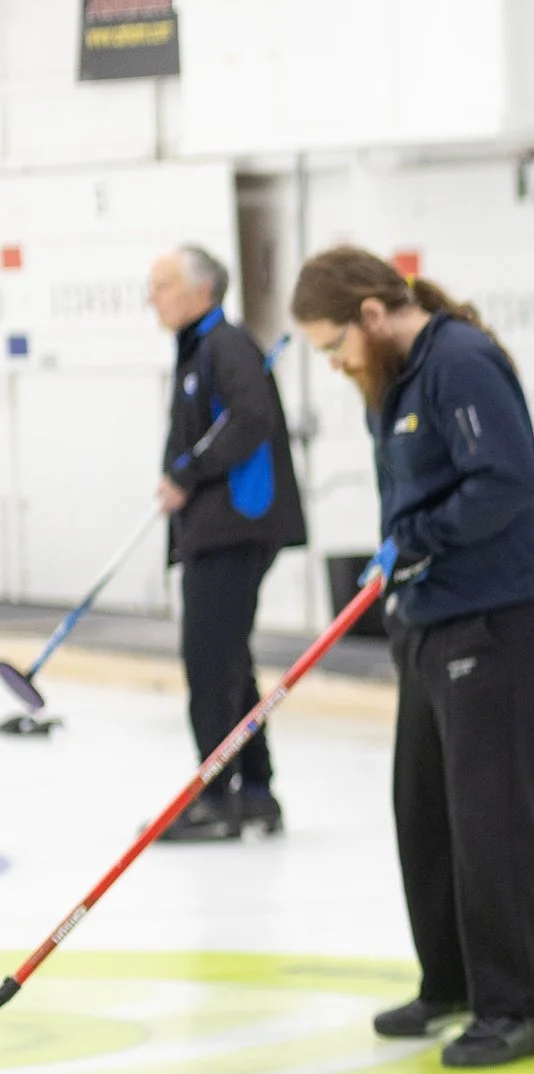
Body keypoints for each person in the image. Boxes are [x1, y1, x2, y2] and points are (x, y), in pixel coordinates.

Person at [289, 247, 534, 1069]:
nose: (335, 364)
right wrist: (394, 556)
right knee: (425, 812)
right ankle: (449, 981)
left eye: (335, 344)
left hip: (494, 617)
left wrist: (416, 541)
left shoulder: (461, 364)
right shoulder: (394, 380)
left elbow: (502, 481)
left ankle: (516, 1007)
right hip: (428, 617)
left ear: (372, 316)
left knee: (490, 820)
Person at [148, 244, 306, 842]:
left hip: (234, 528)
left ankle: (215, 797)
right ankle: (257, 791)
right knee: (229, 662)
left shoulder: (225, 344)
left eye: (162, 285)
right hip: (217, 532)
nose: (152, 298)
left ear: (201, 290)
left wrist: (187, 474)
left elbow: (251, 418)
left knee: (209, 662)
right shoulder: (200, 348)